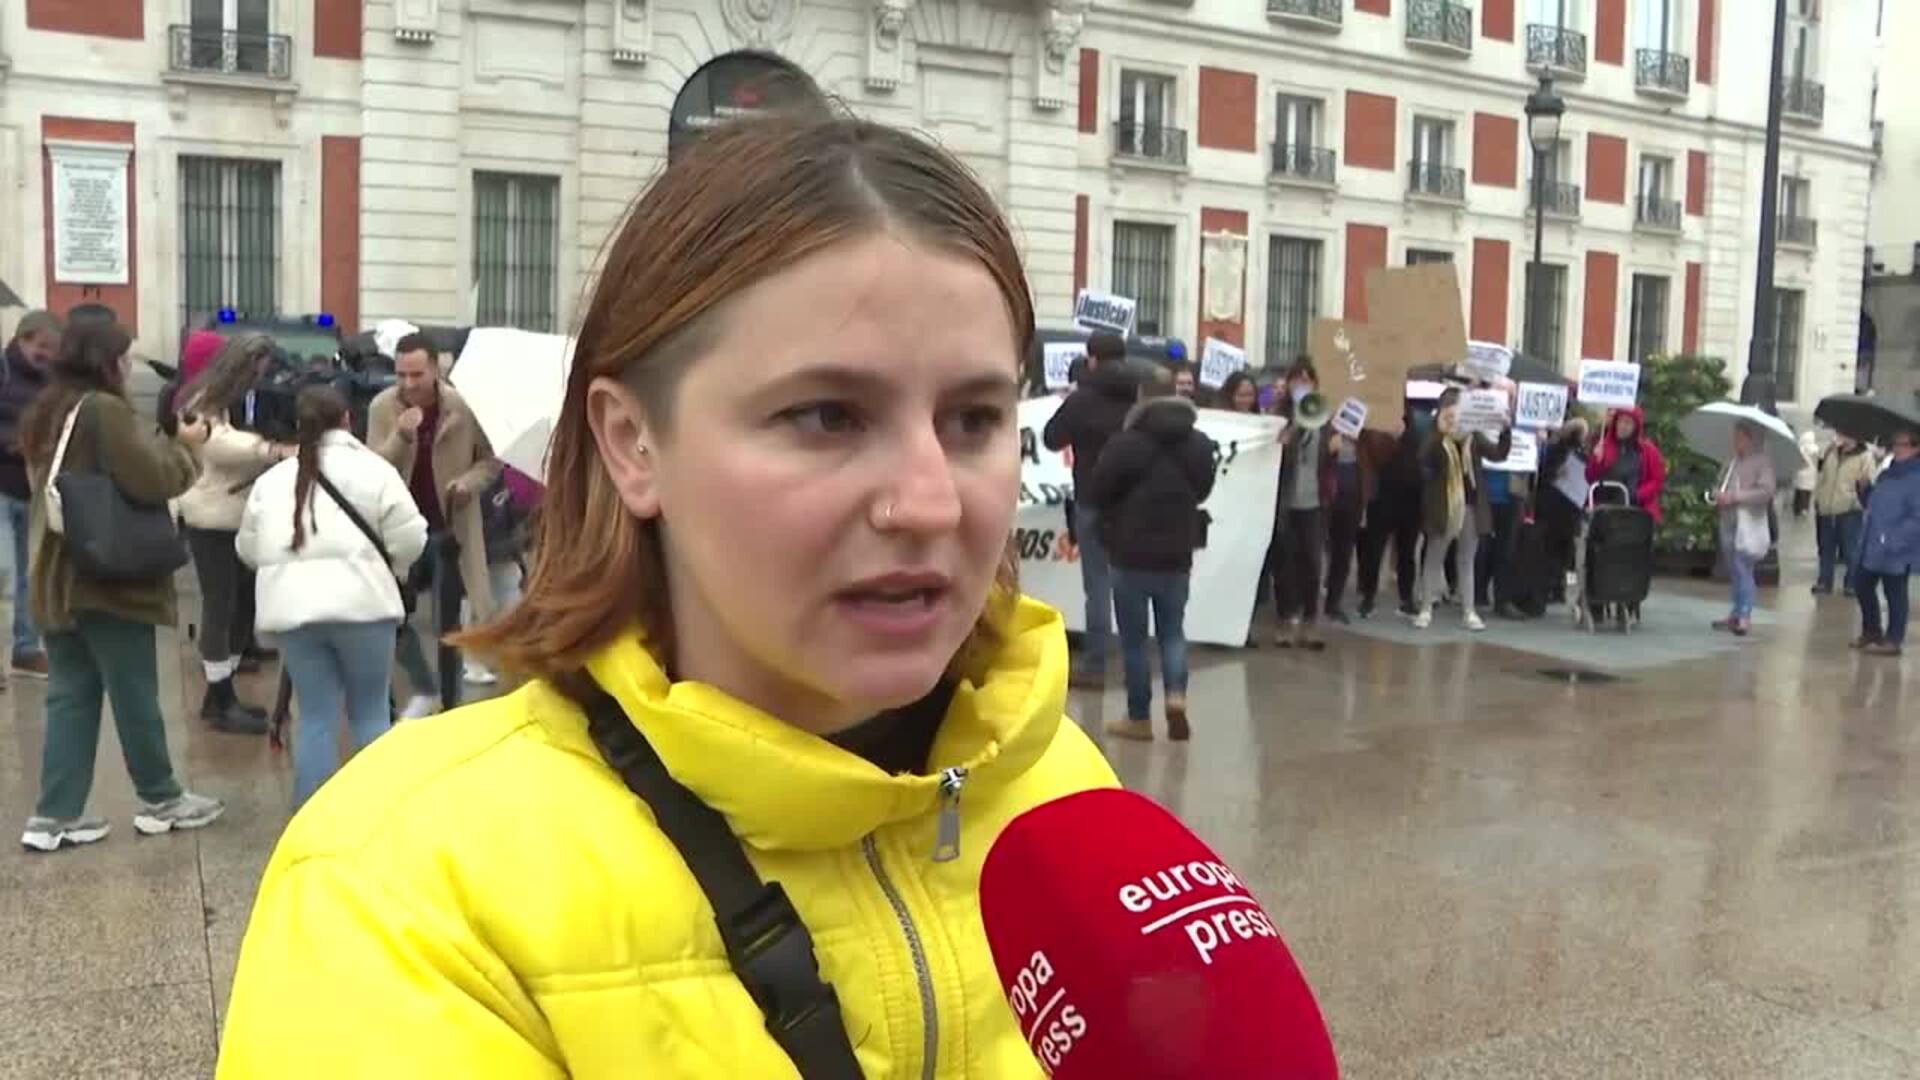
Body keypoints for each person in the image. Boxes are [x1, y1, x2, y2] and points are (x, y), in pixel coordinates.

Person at [219, 113, 1116, 1075]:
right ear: (632, 442)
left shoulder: (1059, 777)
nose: (931, 501)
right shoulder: (397, 890)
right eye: (826, 416)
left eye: (974, 418)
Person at [17, 321, 224, 851]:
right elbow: (149, 480)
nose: (130, 367)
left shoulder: (50, 407)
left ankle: (54, 817)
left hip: (56, 576)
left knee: (70, 697)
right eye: (125, 358)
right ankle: (162, 797)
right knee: (134, 694)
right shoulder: (102, 409)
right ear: (107, 361)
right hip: (107, 579)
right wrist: (187, 449)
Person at [237, 387, 428, 809]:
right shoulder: (375, 471)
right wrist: (391, 567)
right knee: (370, 713)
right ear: (347, 419)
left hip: (294, 614)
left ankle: (311, 819)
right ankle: (377, 814)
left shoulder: (272, 482)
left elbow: (248, 549)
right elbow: (411, 537)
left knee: (316, 718)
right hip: (365, 609)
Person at [367, 332, 501, 718]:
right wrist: (401, 436)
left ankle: (450, 702)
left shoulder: (461, 406)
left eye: (417, 375)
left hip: (448, 530)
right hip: (397, 532)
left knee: (449, 625)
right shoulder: (382, 407)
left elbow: (489, 462)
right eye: (401, 375)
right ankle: (401, 696)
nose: (409, 384)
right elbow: (371, 468)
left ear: (435, 369)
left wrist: (467, 484)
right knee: (392, 616)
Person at [1084, 383, 1215, 742]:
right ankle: (1176, 698)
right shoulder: (1199, 443)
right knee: (1172, 633)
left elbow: (1098, 490)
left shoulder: (1126, 443)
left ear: (1142, 398)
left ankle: (1139, 718)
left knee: (1135, 641)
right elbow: (1203, 490)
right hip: (1177, 553)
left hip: (1130, 553)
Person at [176, 333, 289, 734]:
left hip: (236, 514)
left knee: (243, 603)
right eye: (257, 366)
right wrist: (270, 450)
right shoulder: (200, 400)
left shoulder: (233, 400)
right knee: (219, 604)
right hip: (210, 516)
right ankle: (218, 696)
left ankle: (225, 688)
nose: (261, 374)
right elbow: (217, 446)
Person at [1042, 330, 1135, 688]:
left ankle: (1096, 665)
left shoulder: (1083, 400)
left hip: (1093, 500)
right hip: (1132, 501)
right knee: (1131, 583)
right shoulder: (1138, 397)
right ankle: (1134, 663)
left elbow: (1052, 438)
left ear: (1093, 359)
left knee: (1097, 585)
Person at [1414, 389, 1512, 631]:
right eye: (1451, 409)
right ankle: (1426, 608)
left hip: (1469, 504)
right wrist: (1439, 434)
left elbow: (1499, 454)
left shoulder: (1473, 436)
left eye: (1459, 409)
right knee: (1435, 556)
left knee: (1467, 559)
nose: (1456, 415)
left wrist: (1506, 430)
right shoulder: (1435, 435)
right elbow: (1422, 461)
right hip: (1443, 506)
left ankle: (1469, 611)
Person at [1, 309, 59, 679]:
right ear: (22, 339)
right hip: (2, 487)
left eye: (52, 349)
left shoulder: (52, 382)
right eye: (41, 347)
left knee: (30, 574)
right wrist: (13, 443)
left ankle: (25, 649)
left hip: (33, 489)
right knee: (4, 570)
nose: (47, 355)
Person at [1271, 359, 1335, 649]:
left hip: (1314, 503)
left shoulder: (1326, 417)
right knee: (1285, 563)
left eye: (1308, 380)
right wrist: (1295, 426)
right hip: (1286, 501)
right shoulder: (1280, 415)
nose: (1303, 384)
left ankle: (1311, 622)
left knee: (1312, 562)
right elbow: (1277, 451)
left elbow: (1332, 455)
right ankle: (1286, 619)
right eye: (1298, 380)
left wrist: (1335, 448)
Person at [1852, 428, 1919, 656]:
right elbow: (1872, 503)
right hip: (1873, 542)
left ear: (1915, 448)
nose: (1898, 449)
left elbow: (1917, 517)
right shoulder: (1887, 473)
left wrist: (1895, 539)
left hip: (1898, 548)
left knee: (1895, 593)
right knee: (1860, 584)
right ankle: (1872, 630)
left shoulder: (1916, 478)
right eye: (1895, 444)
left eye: (1903, 445)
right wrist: (1864, 490)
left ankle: (1893, 639)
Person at [1712, 421, 1778, 637]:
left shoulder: (1762, 462)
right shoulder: (1731, 462)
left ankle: (1744, 615)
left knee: (1743, 568)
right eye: (1735, 437)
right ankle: (1736, 610)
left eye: (1740, 437)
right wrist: (1717, 493)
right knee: (1733, 568)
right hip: (1728, 519)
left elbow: (1766, 491)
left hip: (1747, 521)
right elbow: (1721, 483)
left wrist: (1736, 497)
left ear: (1750, 439)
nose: (1736, 442)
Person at [1812, 433, 1876, 596]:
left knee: (1851, 550)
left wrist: (1858, 496)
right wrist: (1818, 498)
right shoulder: (1831, 451)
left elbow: (1869, 481)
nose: (1840, 435)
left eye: (1845, 432)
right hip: (1827, 508)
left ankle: (1852, 583)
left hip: (1850, 510)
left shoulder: (1865, 456)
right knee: (1825, 548)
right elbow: (1822, 476)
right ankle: (1824, 581)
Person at [1536, 418, 1592, 599]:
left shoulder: (1562, 450)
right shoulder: (1563, 451)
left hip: (1562, 506)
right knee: (1565, 552)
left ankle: (1559, 586)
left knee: (1561, 551)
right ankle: (1560, 587)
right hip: (1561, 506)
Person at [1586, 407, 1667, 522]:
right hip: (1603, 508)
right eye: (1621, 421)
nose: (1623, 426)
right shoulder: (1604, 445)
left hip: (1634, 510)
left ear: (1635, 427)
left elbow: (1657, 480)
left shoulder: (1647, 450)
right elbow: (1590, 477)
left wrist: (1637, 495)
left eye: (1628, 423)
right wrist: (1596, 460)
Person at [1793, 430, 1819, 519]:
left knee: (1799, 492)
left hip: (1801, 473)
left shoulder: (1800, 448)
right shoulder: (1815, 449)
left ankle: (1798, 509)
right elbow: (1816, 461)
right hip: (1811, 473)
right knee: (1807, 492)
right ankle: (1805, 508)